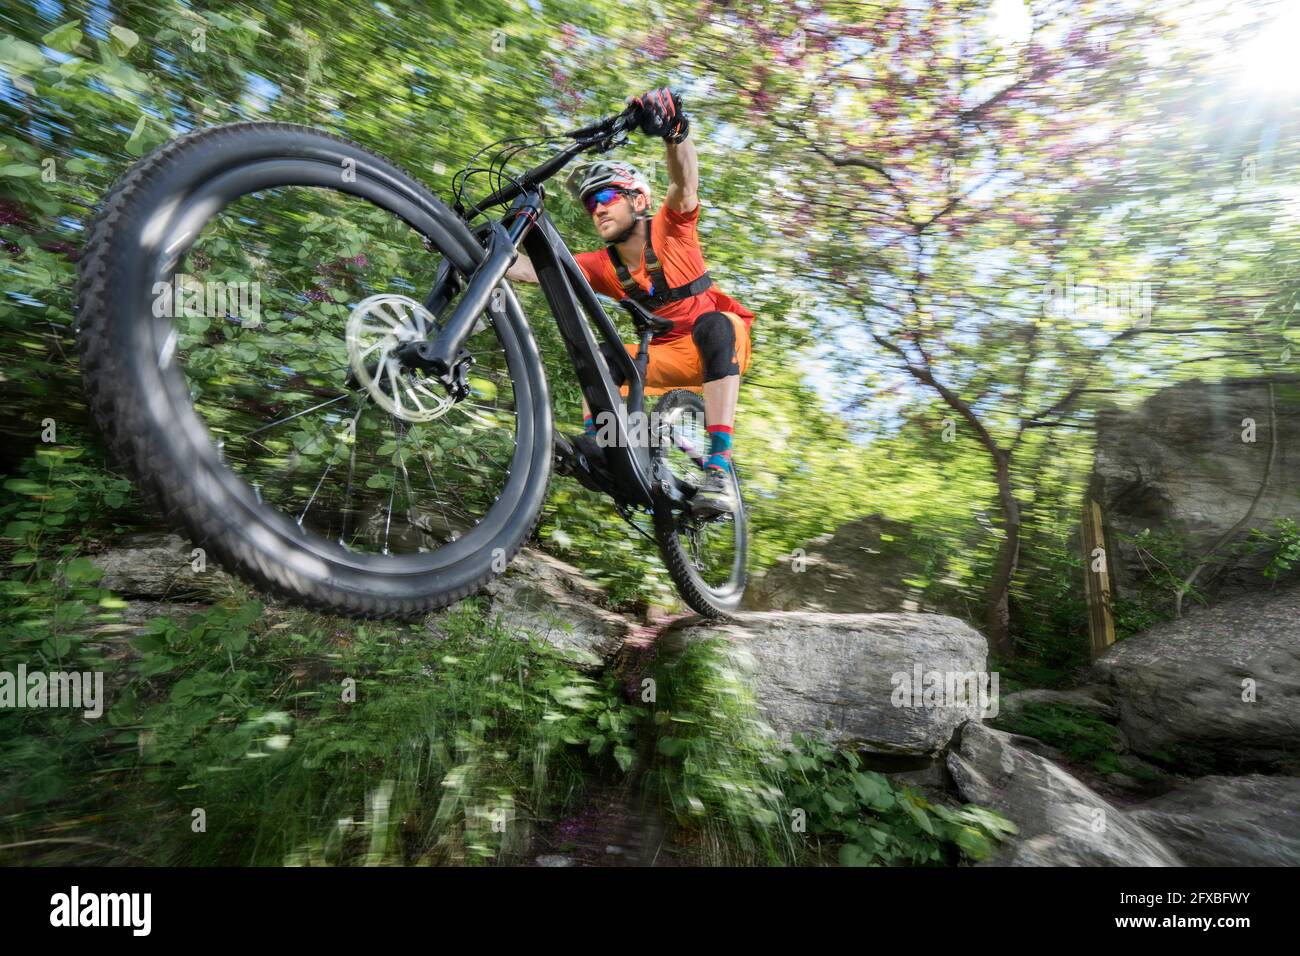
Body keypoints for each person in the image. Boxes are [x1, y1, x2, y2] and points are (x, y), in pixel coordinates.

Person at [505, 87, 754, 514]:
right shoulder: (601, 264)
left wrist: (675, 131)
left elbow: (685, 181)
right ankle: (606, 448)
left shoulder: (670, 228)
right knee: (601, 355)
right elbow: (527, 269)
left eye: (605, 198)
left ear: (638, 200)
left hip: (719, 343)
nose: (597, 209)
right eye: (590, 205)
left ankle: (718, 466)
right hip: (664, 357)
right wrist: (468, 246)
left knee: (713, 323)